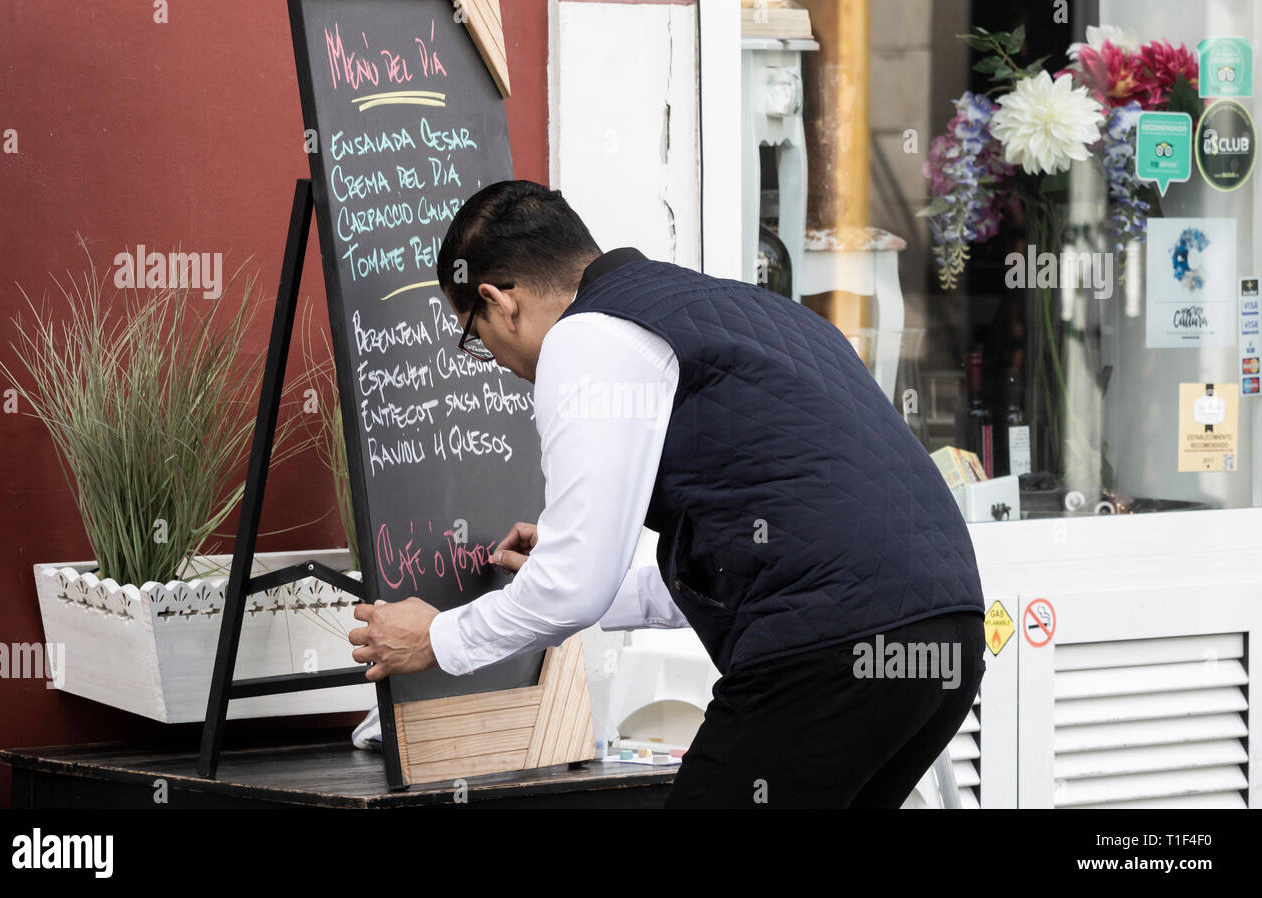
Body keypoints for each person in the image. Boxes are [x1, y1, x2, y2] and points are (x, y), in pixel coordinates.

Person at [348, 180, 987, 808]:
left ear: (499, 300)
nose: (489, 356)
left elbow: (574, 586)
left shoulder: (587, 333)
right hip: (943, 639)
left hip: (827, 651)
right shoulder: (755, 313)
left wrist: (439, 638)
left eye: (472, 334)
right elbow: (770, 547)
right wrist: (575, 563)